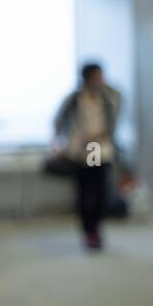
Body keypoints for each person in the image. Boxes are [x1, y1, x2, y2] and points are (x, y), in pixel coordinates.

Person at [53, 63, 120, 250]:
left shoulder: (106, 99)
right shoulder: (75, 99)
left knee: (99, 192)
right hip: (81, 150)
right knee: (84, 192)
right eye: (98, 76)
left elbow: (111, 123)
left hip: (98, 148)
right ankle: (89, 231)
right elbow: (59, 121)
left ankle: (95, 229)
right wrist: (59, 143)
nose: (102, 80)